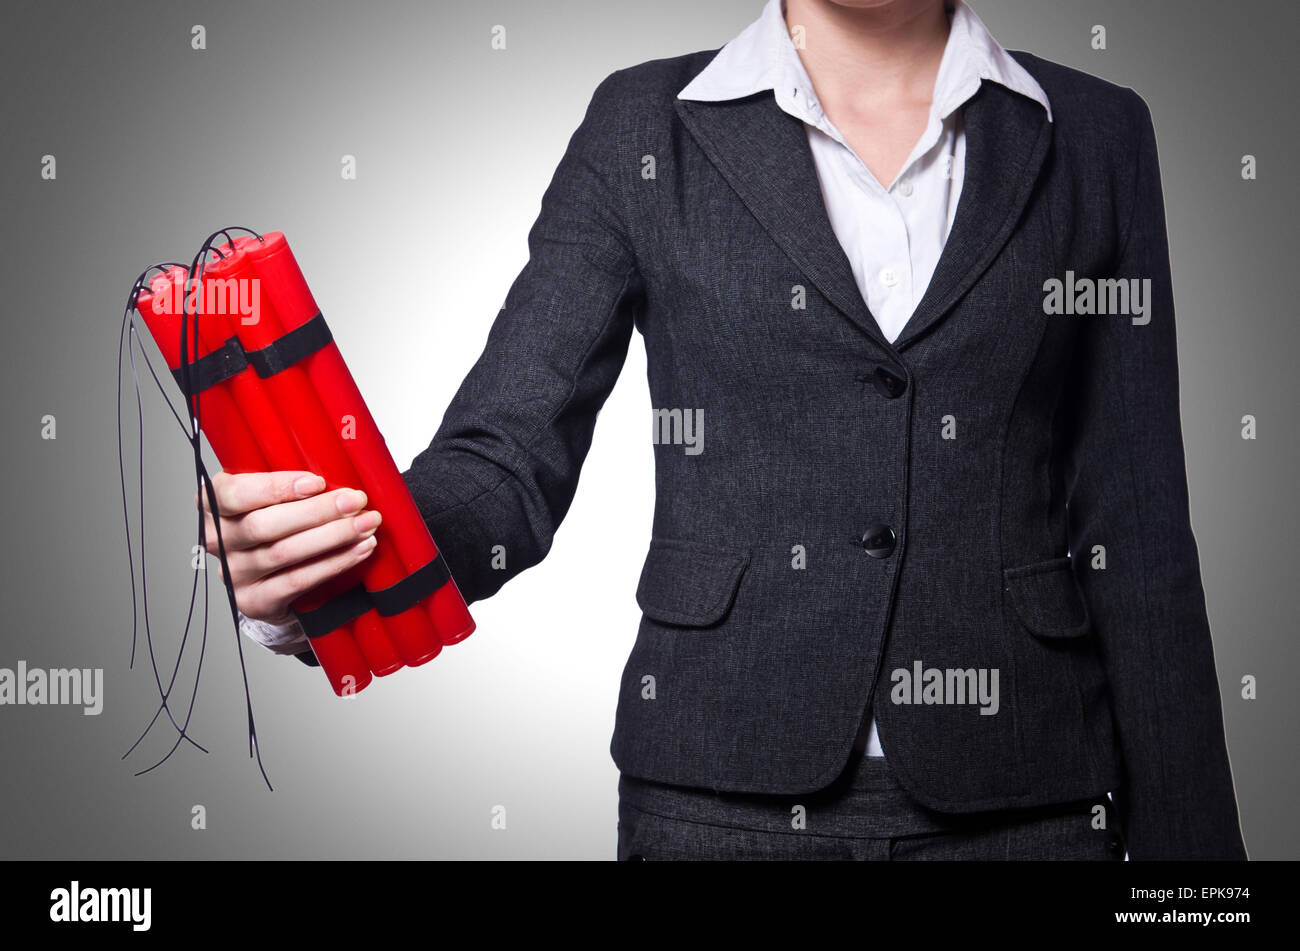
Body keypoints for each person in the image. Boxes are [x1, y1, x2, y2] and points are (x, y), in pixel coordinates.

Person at [204, 0, 1248, 860]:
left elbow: (1138, 528)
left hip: (1033, 804)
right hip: (719, 805)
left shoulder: (1097, 134)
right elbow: (504, 463)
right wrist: (331, 562)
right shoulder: (642, 127)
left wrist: (1197, 885)